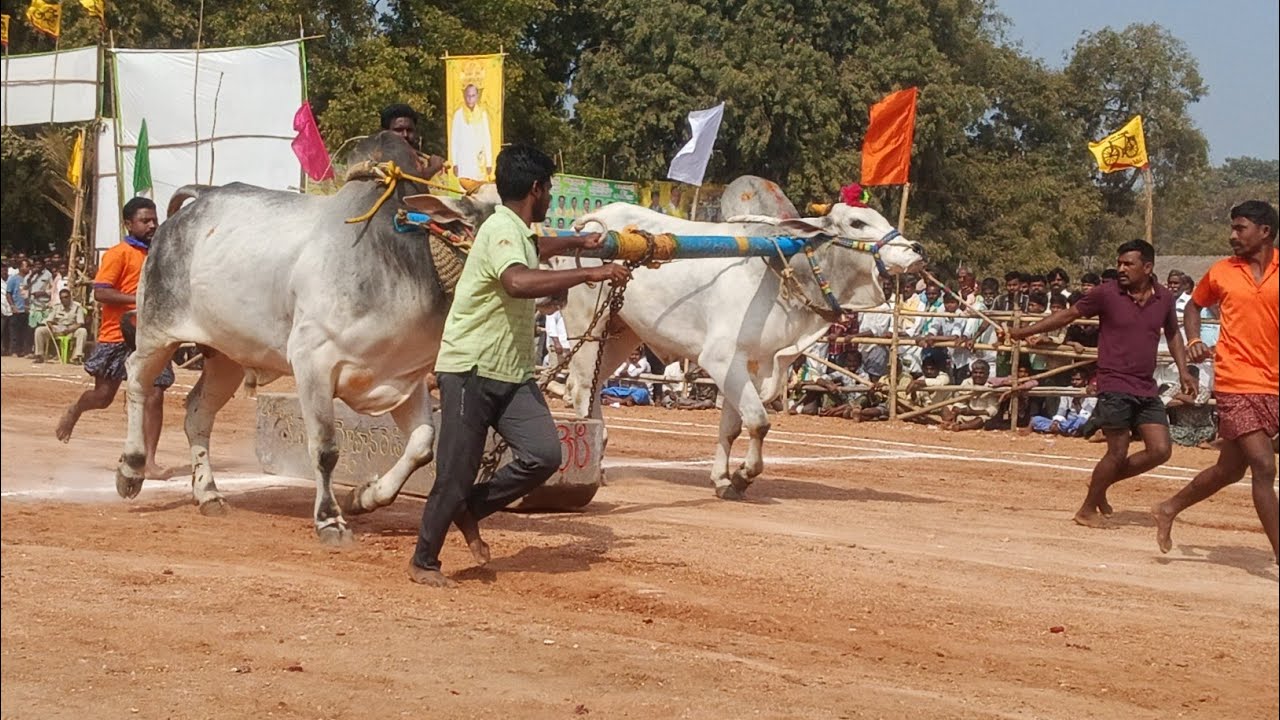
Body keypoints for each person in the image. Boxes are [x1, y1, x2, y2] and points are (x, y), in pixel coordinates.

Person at [408, 144, 631, 588]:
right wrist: (589, 273)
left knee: (544, 454)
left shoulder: (515, 230)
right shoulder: (499, 230)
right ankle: (424, 561)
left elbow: (535, 248)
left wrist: (574, 242)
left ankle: (471, 508)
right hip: (471, 369)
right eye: (548, 189)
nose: (549, 197)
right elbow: (517, 281)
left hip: (510, 372)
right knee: (455, 473)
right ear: (536, 188)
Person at [1007, 239, 1194, 527]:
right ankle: (1086, 509)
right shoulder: (1106, 293)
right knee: (1117, 451)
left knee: (1160, 450)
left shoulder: (1165, 299)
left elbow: (1173, 334)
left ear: (1147, 267)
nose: (1121, 268)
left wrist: (1184, 371)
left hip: (1146, 385)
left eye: (1128, 264)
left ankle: (1100, 485)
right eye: (1119, 263)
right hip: (1114, 382)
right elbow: (1069, 315)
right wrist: (1025, 332)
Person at [1154, 200, 1279, 562]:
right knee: (1264, 464)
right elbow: (1193, 306)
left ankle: (1168, 508)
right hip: (1234, 379)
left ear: (1264, 231)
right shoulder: (1222, 271)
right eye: (1233, 228)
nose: (1232, 236)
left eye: (1240, 228)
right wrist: (1194, 341)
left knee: (1229, 469)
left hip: (1272, 383)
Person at [55, 198, 177, 480]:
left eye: (153, 219)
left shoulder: (160, 254)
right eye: (144, 220)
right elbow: (101, 293)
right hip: (117, 335)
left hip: (151, 337)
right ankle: (76, 409)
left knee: (155, 394)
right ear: (128, 224)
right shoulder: (118, 254)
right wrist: (139, 300)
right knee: (103, 397)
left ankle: (149, 461)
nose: (151, 225)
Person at [380, 103, 445, 179]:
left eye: (410, 130)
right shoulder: (377, 157)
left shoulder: (415, 159)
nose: (405, 135)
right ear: (384, 133)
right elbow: (411, 181)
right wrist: (433, 168)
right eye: (398, 130)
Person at [449, 83, 494, 181]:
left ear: (477, 97)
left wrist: (489, 163)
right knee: (463, 193)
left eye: (473, 96)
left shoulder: (483, 115)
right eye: (468, 96)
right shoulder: (458, 115)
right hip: (463, 162)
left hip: (479, 162)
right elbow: (454, 140)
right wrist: (455, 163)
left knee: (479, 192)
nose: (470, 99)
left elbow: (487, 139)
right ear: (464, 97)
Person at [34, 288, 87, 363]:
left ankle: (76, 357)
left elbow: (80, 323)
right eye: (62, 298)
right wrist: (52, 327)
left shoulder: (77, 307)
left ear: (70, 297)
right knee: (39, 330)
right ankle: (39, 355)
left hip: (71, 329)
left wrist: (69, 329)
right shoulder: (56, 307)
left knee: (82, 331)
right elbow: (49, 321)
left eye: (66, 297)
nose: (64, 299)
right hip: (57, 328)